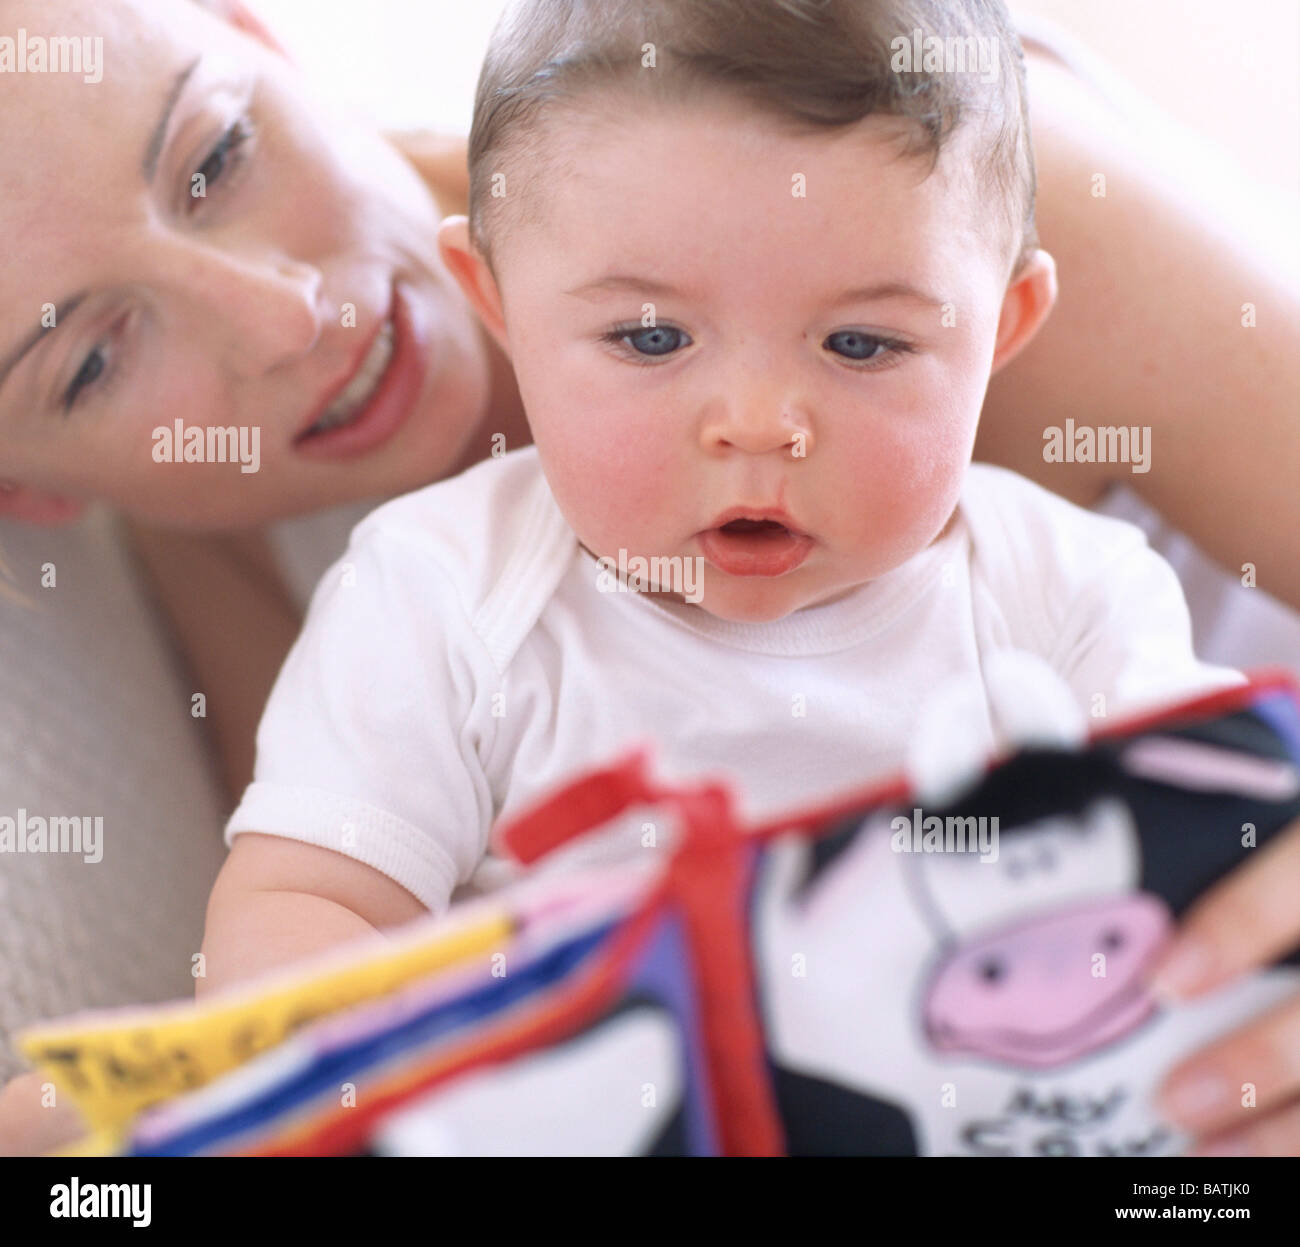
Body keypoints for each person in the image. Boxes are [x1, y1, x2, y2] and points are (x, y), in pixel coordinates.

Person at [0, 0, 1296, 1156]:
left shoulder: (914, 164)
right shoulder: (381, 582)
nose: (289, 318)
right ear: (25, 492)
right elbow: (318, 942)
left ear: (259, 31)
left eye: (216, 156)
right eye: (92, 364)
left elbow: (1182, 811)